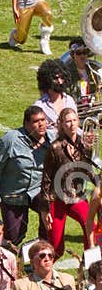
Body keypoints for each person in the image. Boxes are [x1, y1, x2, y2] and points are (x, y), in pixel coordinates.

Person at [0, 106, 51, 248]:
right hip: (13, 194)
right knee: (14, 237)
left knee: (50, 211)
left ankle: (42, 246)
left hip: (37, 191)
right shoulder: (10, 139)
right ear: (26, 124)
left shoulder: (51, 139)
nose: (41, 124)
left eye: (43, 120)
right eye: (36, 121)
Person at [42, 108, 94, 255]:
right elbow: (46, 179)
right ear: (62, 124)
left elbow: (86, 170)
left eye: (74, 120)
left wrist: (90, 150)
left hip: (76, 197)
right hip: (57, 199)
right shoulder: (55, 148)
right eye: (68, 121)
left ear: (78, 121)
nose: (72, 124)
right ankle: (40, 269)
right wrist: (45, 209)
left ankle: (90, 265)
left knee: (90, 227)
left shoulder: (84, 145)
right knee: (57, 248)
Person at [33, 60, 78, 138]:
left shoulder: (69, 100)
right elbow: (36, 133)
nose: (60, 82)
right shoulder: (39, 106)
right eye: (56, 78)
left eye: (62, 77)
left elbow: (76, 127)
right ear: (47, 80)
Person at [62, 38, 102, 106]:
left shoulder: (94, 68)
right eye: (78, 53)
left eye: (85, 53)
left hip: (94, 106)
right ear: (72, 55)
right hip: (75, 108)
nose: (82, 56)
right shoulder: (66, 72)